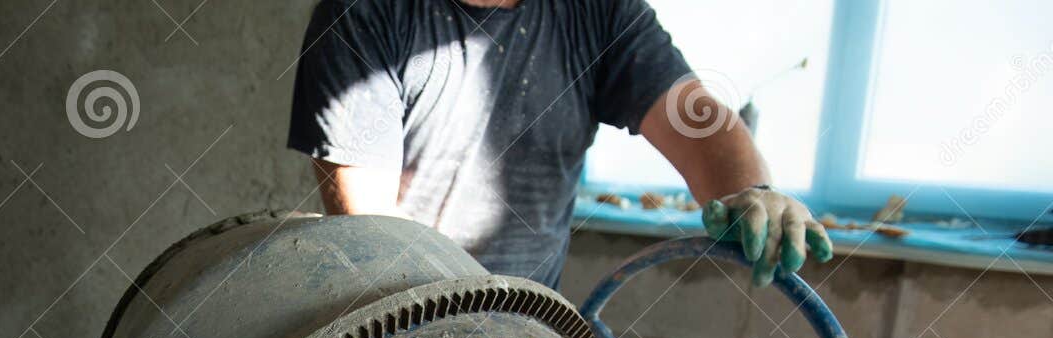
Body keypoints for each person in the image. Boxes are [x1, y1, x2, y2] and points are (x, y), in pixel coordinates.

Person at [288, 0, 833, 288]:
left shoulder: (595, 13)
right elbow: (374, 247)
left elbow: (698, 124)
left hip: (537, 332)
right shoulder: (363, 15)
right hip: (410, 329)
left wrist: (753, 190)